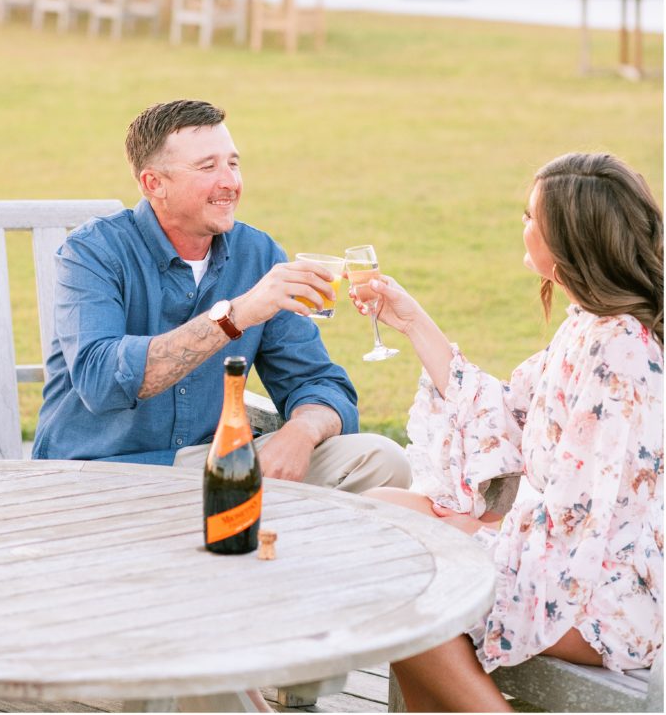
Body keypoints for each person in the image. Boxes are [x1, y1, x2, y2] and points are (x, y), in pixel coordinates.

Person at [351, 152, 663, 713]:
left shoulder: (619, 349)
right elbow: (508, 414)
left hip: (603, 594)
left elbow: (585, 509)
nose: (521, 224)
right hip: (564, 554)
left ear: (569, 239)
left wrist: (477, 525)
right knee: (377, 515)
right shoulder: (588, 324)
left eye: (529, 216)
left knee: (406, 578)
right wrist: (411, 319)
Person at [32, 99, 410, 494]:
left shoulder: (259, 255)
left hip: (213, 468)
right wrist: (237, 315)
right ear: (153, 184)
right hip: (99, 474)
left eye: (233, 163)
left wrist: (301, 431)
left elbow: (317, 381)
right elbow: (101, 381)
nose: (230, 181)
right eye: (207, 167)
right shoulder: (92, 252)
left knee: (381, 461)